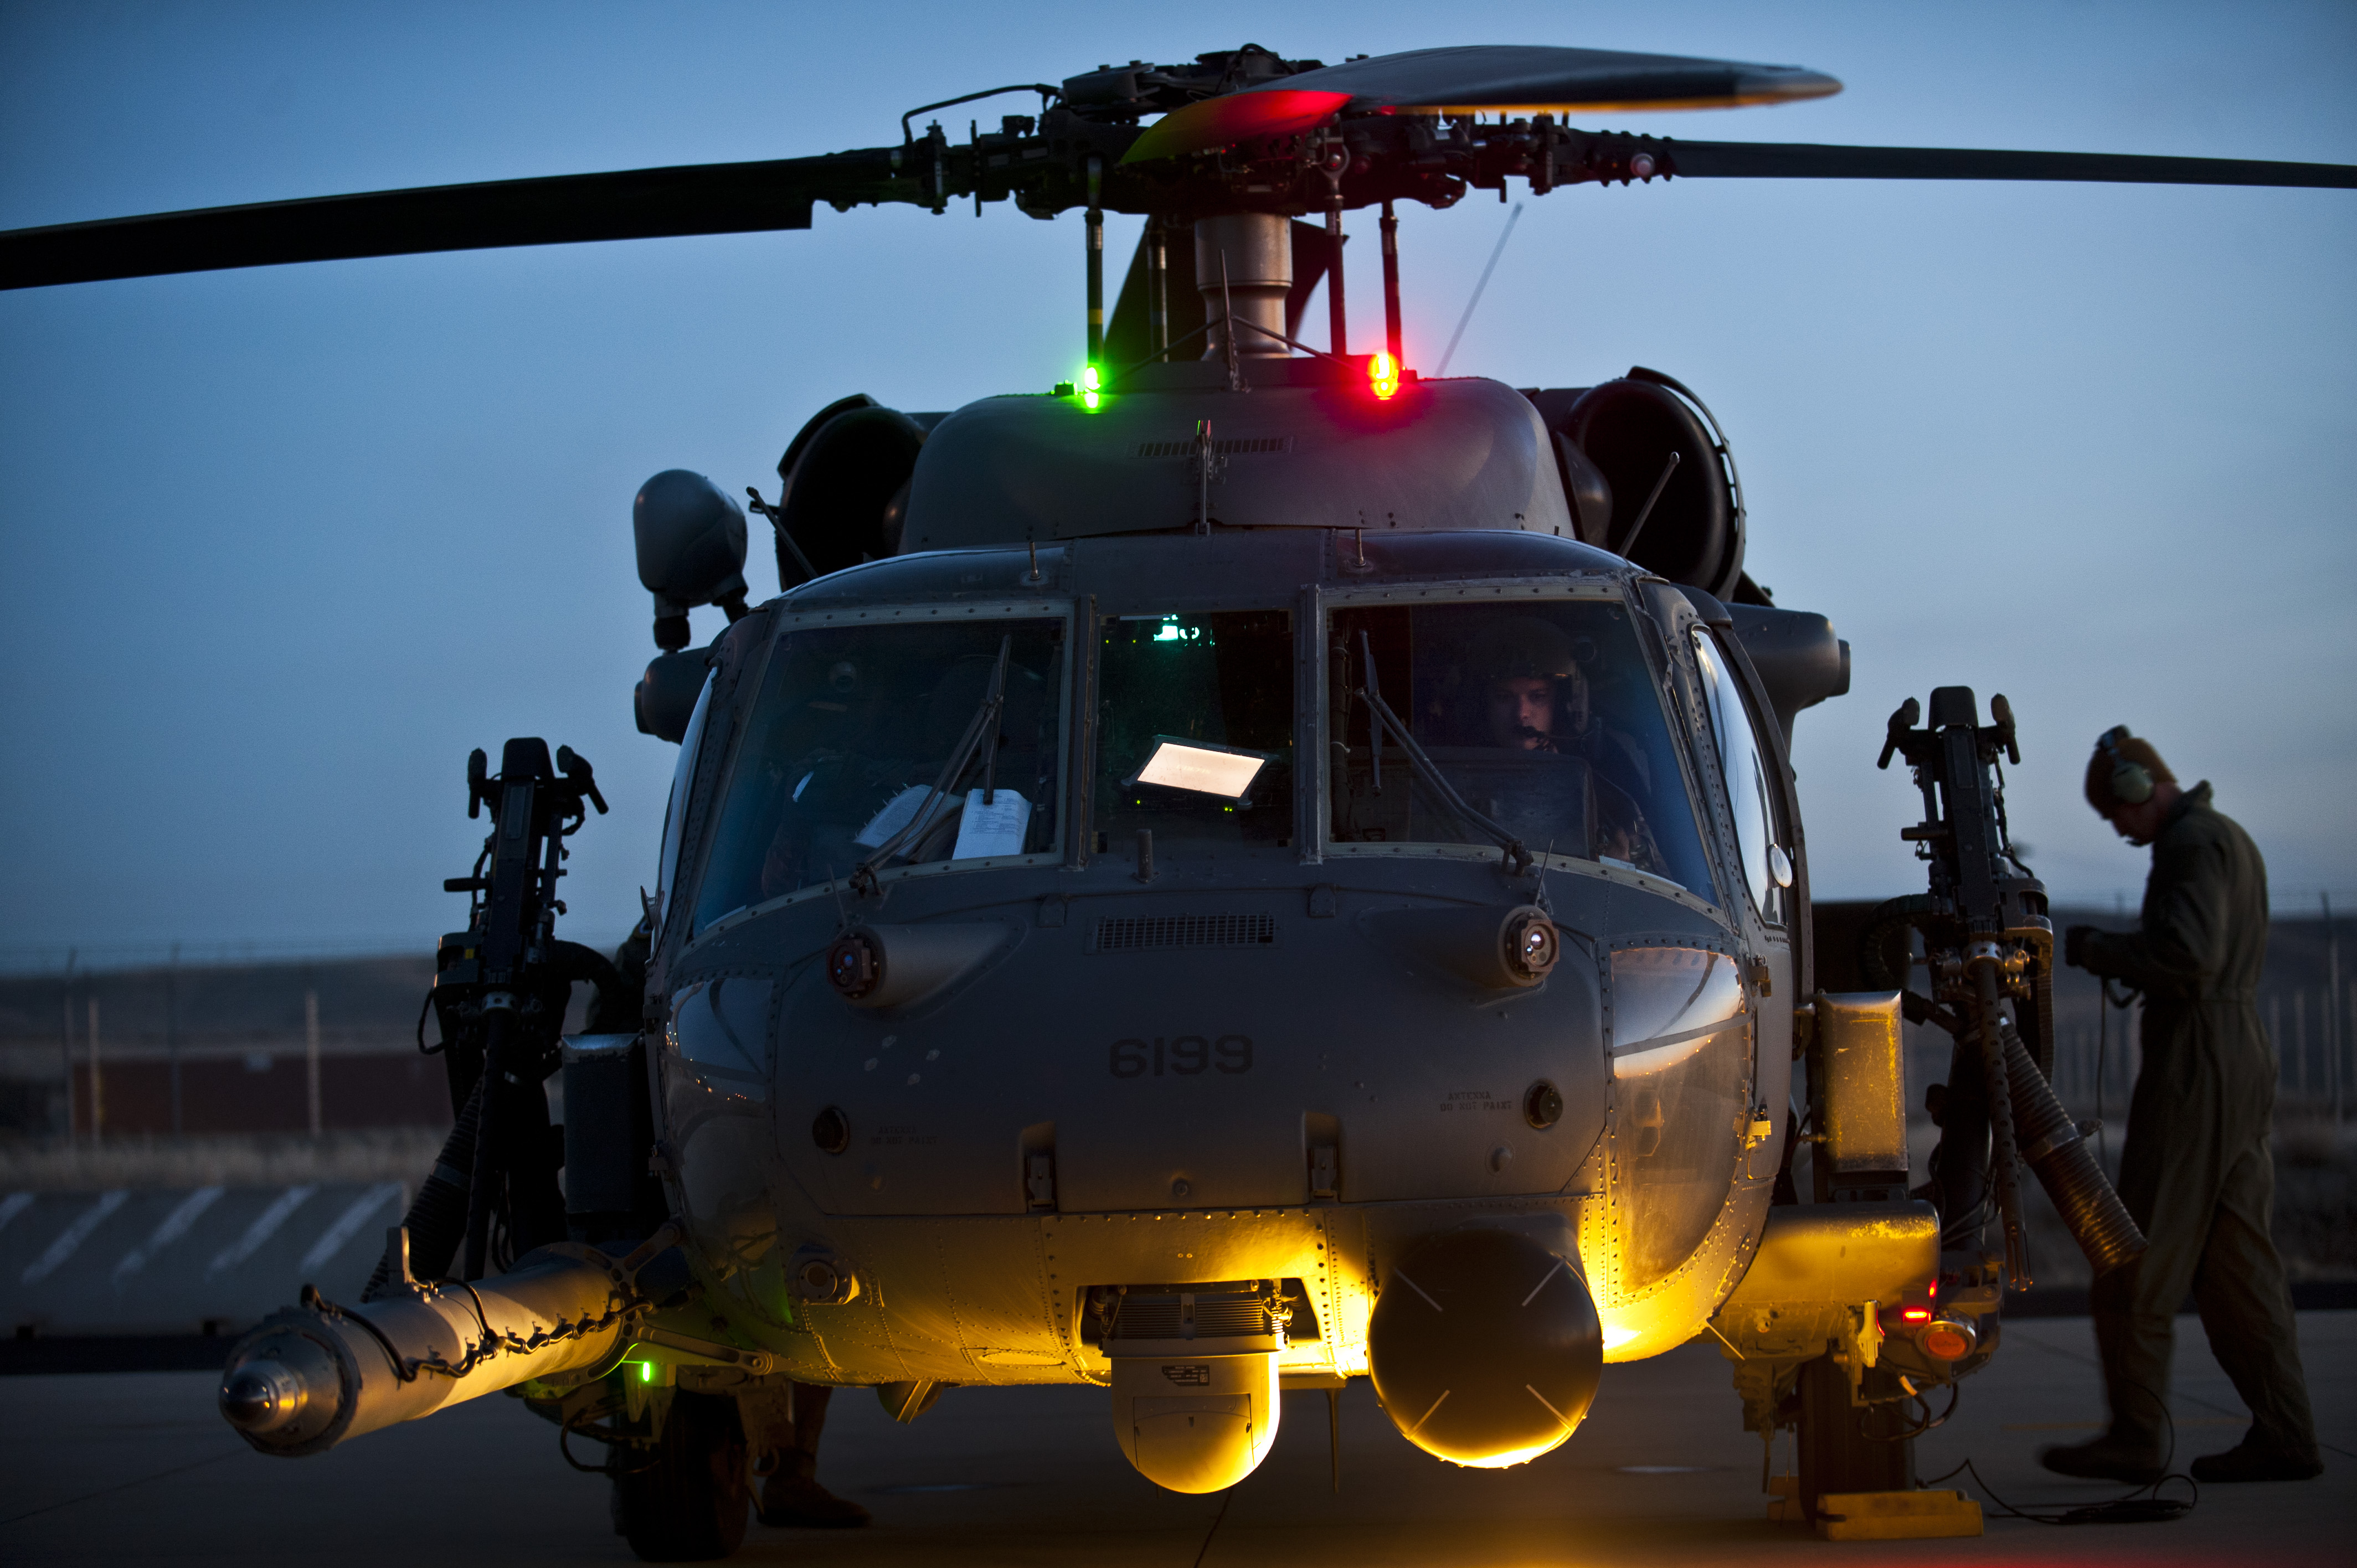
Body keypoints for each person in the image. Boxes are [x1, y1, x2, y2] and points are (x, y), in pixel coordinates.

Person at [2041, 726, 2321, 1485]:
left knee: (2135, 1248)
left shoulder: (2191, 845)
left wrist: (2099, 948)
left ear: (2139, 788)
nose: (2121, 831)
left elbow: (2187, 958)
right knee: (2237, 1266)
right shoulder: (2229, 838)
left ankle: (2135, 1436)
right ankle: (2286, 1435)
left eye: (2116, 814)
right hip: (2240, 1052)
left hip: (2197, 1058)